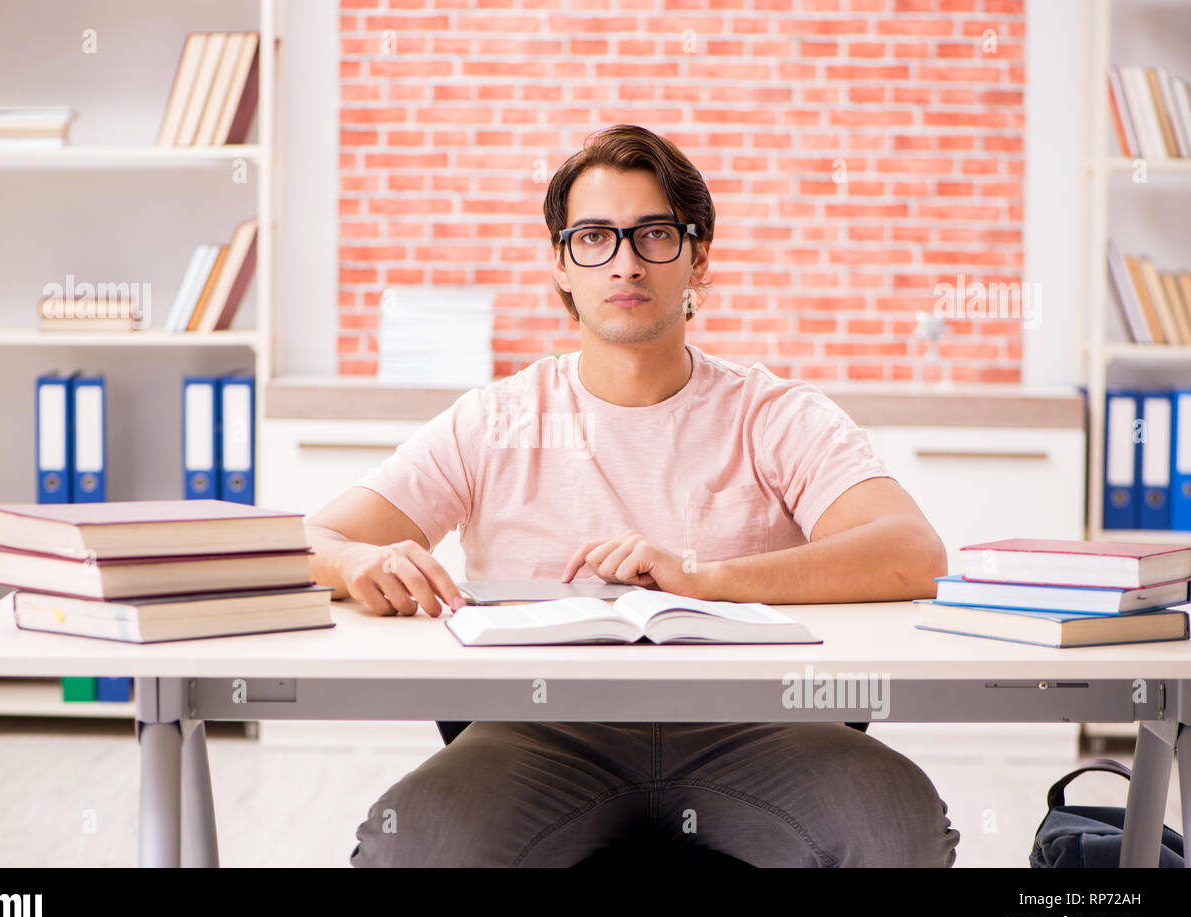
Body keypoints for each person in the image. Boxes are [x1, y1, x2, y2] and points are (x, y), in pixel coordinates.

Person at [305, 124, 960, 867]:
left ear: (698, 258)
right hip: (543, 732)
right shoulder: (496, 419)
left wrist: (705, 582)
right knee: (415, 844)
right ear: (560, 265)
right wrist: (356, 563)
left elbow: (914, 554)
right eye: (593, 238)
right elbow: (305, 542)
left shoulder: (773, 413)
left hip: (758, 726)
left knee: (898, 828)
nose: (623, 262)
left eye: (652, 234)